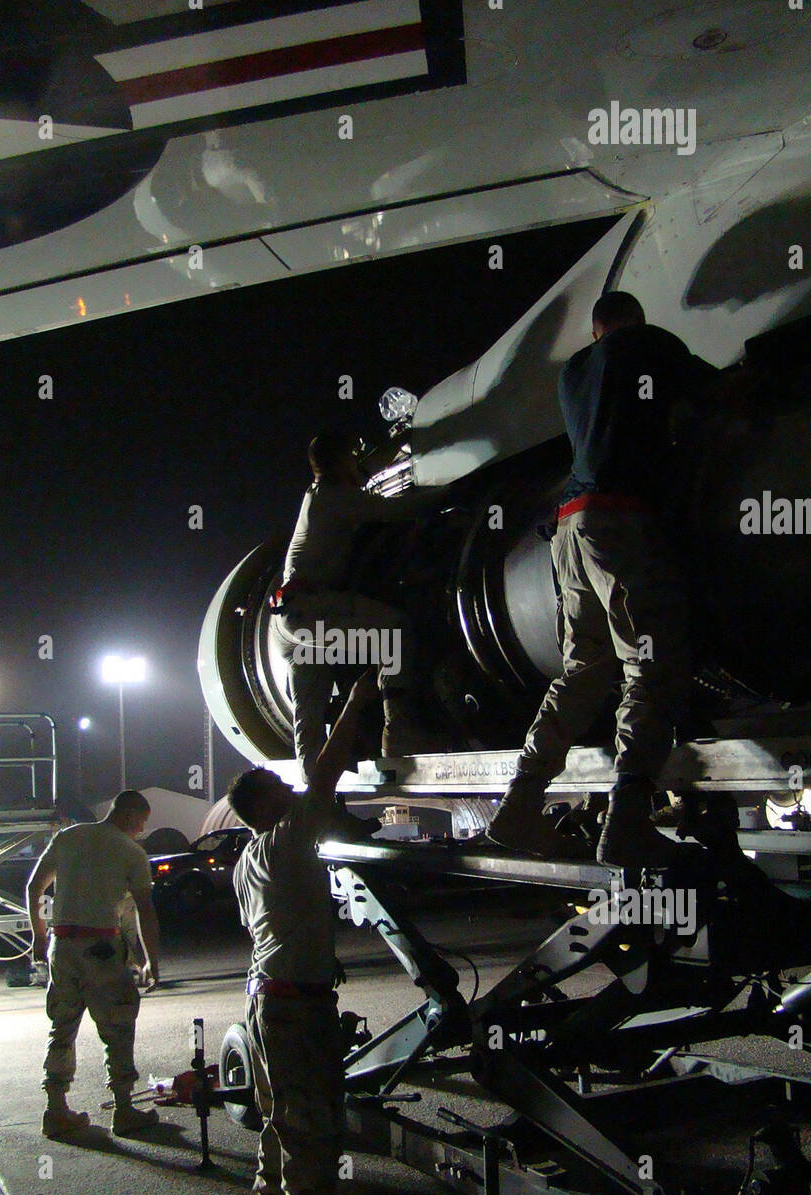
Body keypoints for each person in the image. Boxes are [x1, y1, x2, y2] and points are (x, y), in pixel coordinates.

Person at [486, 291, 720, 868]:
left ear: (595, 331)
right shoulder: (648, 344)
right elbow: (716, 393)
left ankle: (520, 802)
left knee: (584, 670)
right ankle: (627, 819)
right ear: (634, 321)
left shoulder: (576, 371)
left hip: (569, 525)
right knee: (651, 664)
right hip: (620, 518)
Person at [229, 669, 379, 1195]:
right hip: (293, 1005)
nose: (287, 789)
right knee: (312, 1120)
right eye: (275, 785)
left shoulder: (247, 859)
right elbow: (325, 772)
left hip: (267, 995)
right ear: (264, 806)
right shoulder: (286, 839)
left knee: (278, 1117)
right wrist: (360, 701)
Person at [272, 430, 444, 778]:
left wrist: (401, 438)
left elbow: (366, 470)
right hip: (311, 613)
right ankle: (398, 735)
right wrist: (454, 490)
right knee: (394, 631)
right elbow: (400, 509)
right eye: (353, 454)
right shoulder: (338, 498)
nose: (358, 460)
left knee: (308, 721)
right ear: (341, 460)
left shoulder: (320, 493)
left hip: (286, 624)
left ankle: (317, 795)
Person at [27, 790, 161, 1140]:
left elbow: (33, 887)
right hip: (102, 946)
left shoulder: (68, 837)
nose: (141, 830)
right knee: (117, 1026)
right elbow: (145, 910)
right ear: (132, 816)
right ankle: (123, 1109)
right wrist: (151, 961)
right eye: (142, 823)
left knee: (62, 1025)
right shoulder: (131, 852)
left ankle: (55, 1110)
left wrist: (39, 937)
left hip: (62, 944)